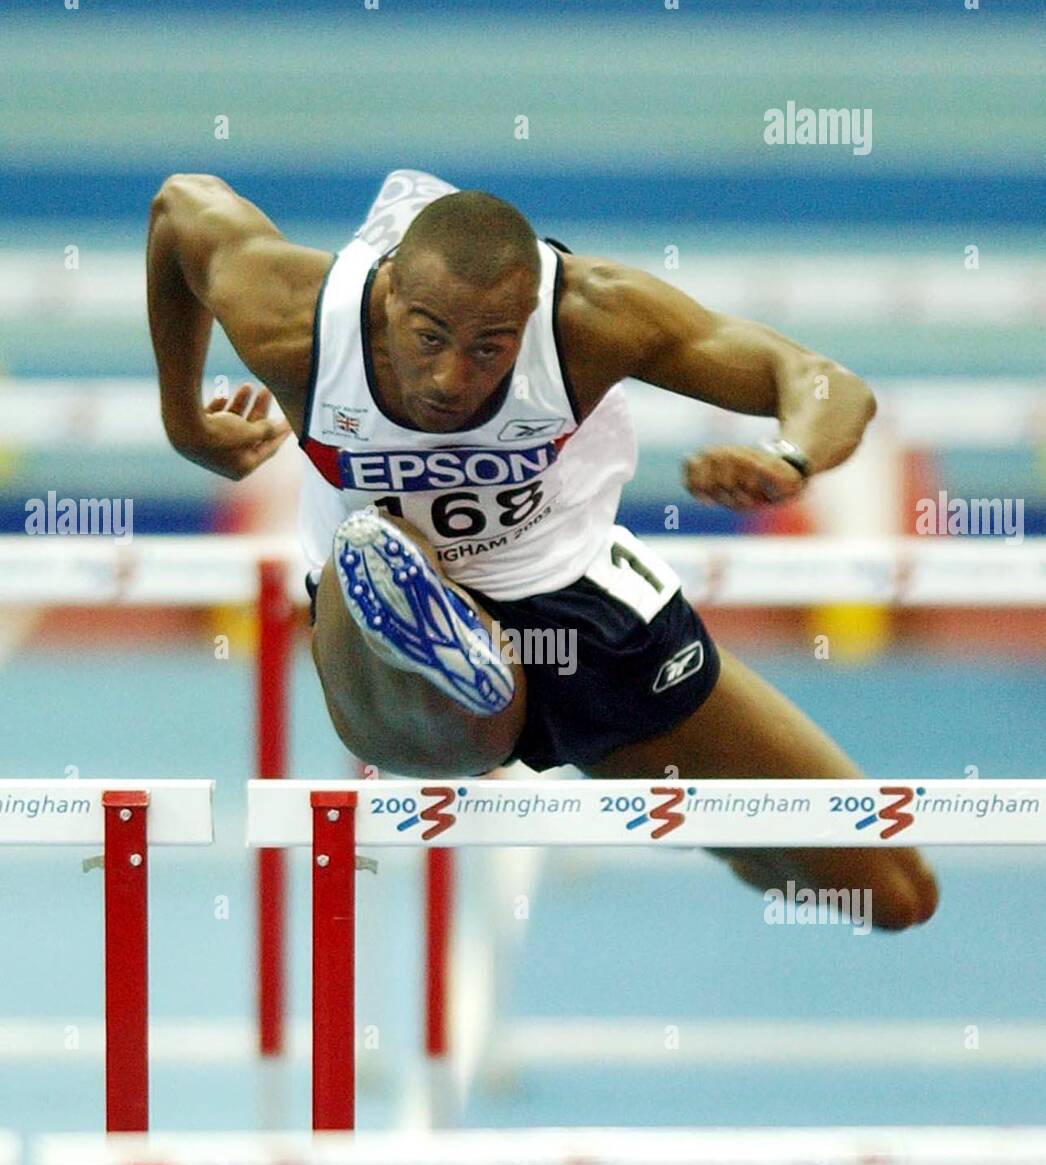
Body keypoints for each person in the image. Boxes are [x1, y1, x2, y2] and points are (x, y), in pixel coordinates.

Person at [147, 168, 939, 929]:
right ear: (387, 293)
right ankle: (456, 654)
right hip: (394, 634)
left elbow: (823, 381)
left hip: (583, 610)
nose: (453, 378)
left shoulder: (591, 315)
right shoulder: (295, 316)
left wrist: (789, 459)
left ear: (532, 312)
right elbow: (179, 209)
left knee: (891, 892)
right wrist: (185, 424)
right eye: (429, 337)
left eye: (490, 347)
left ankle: (722, 831)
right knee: (380, 572)